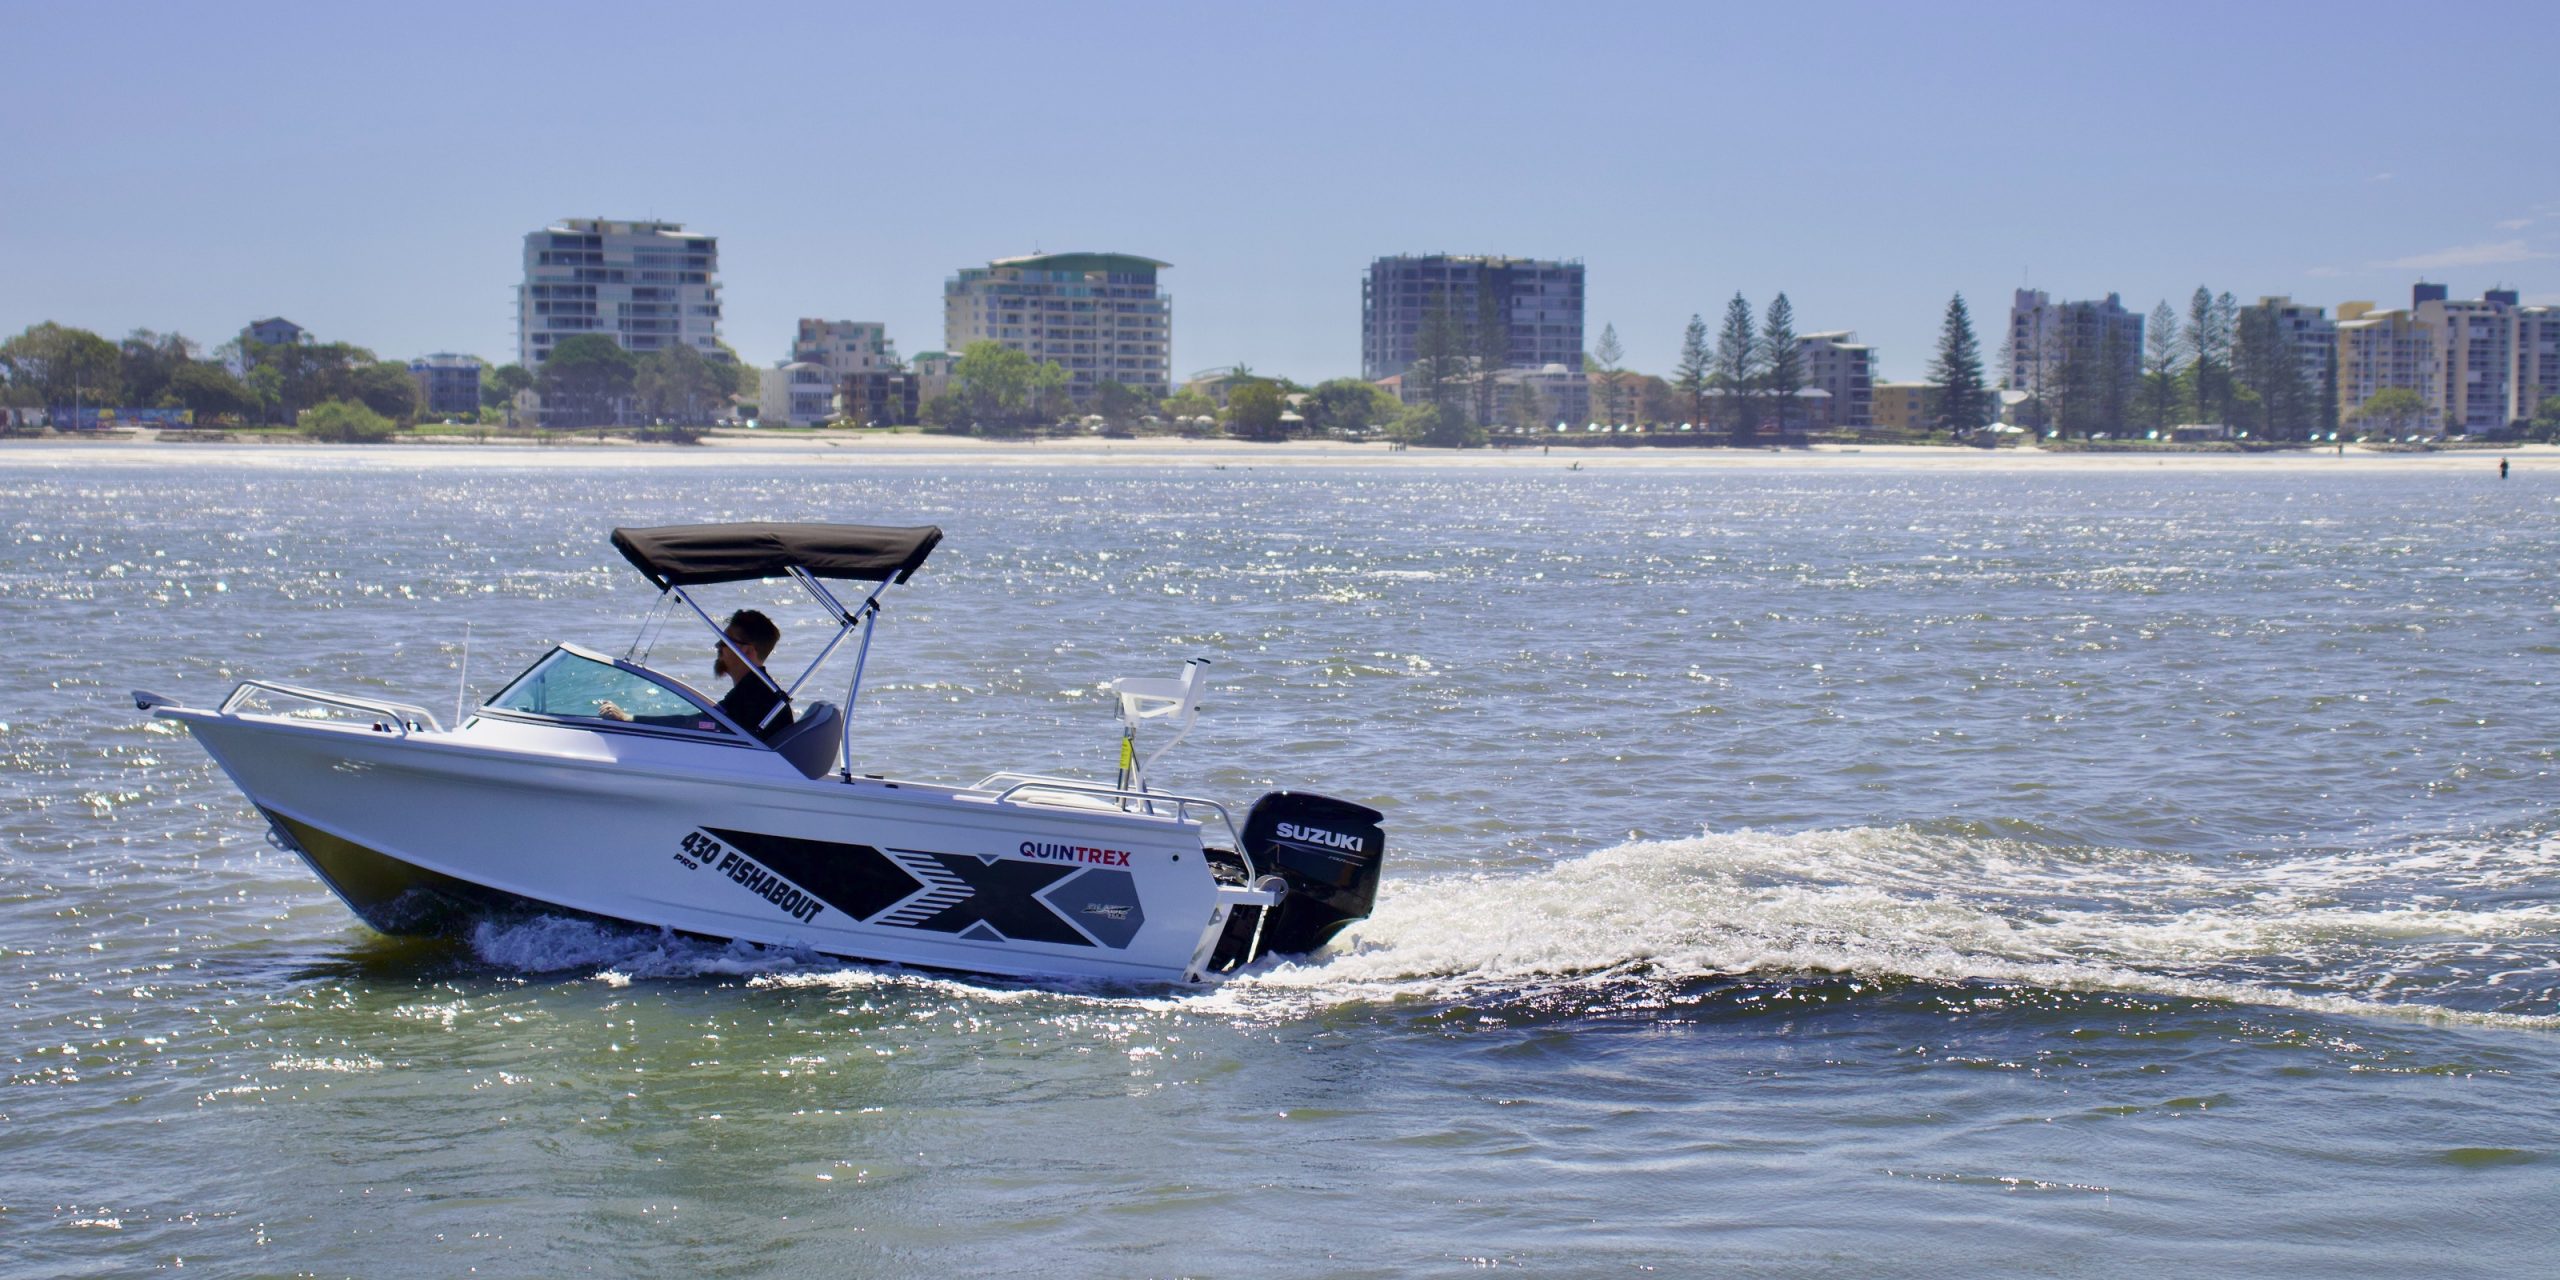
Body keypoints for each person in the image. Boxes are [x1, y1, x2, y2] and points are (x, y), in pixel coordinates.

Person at [599, 608, 795, 741]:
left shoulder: (756, 695)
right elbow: (708, 722)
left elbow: (700, 724)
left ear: (747, 651)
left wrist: (629, 719)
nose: (717, 646)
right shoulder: (756, 689)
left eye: (725, 641)